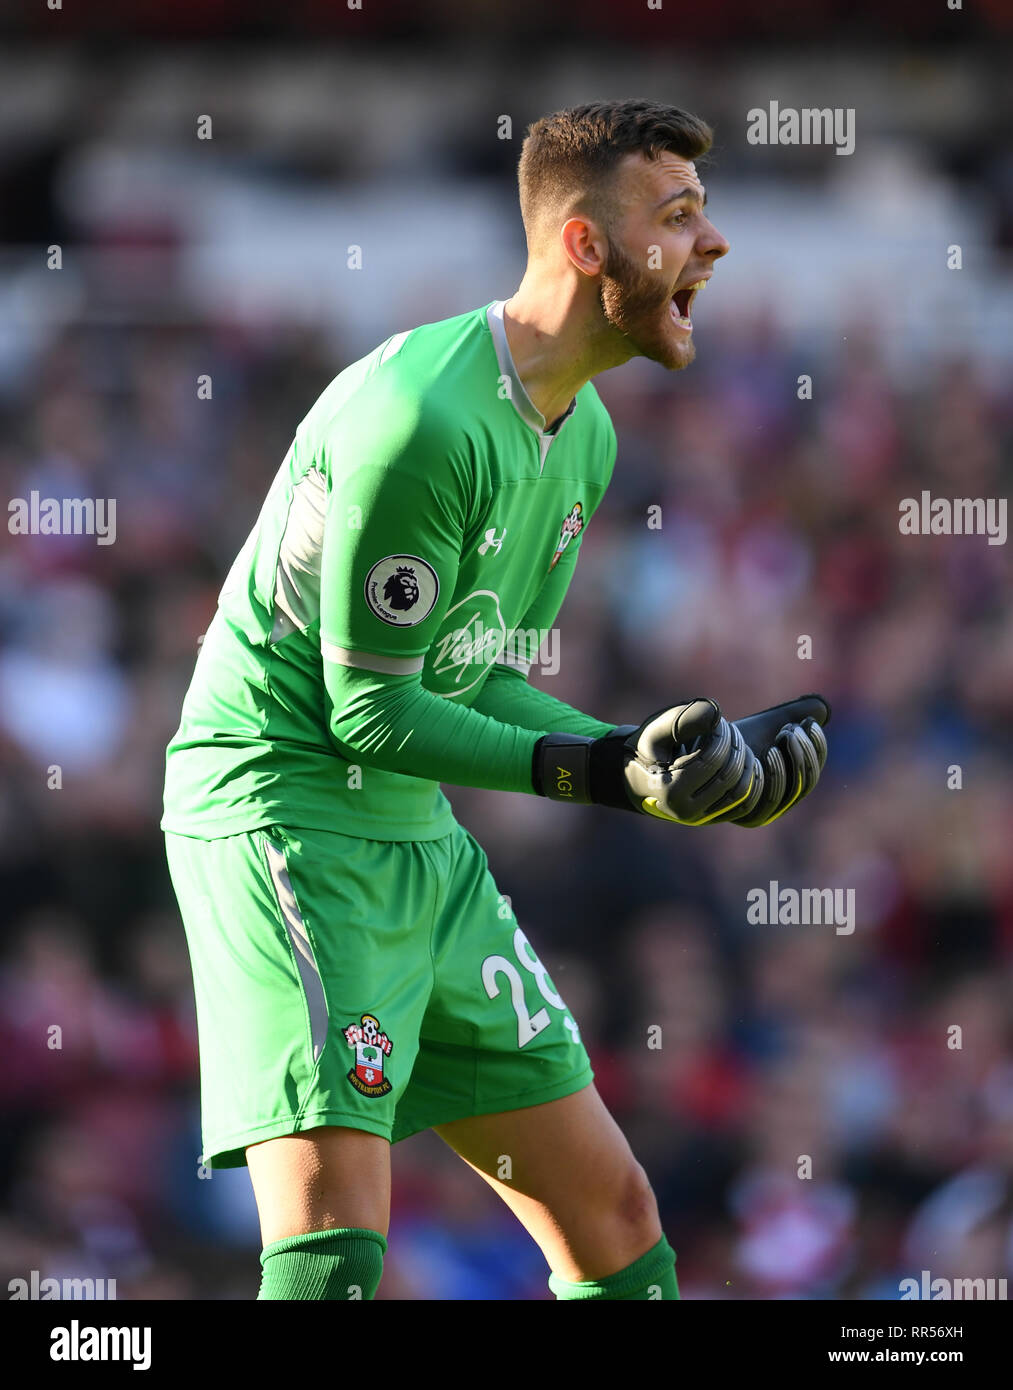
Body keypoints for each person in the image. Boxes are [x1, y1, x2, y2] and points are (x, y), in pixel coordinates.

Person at [161, 98, 829, 1302]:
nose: (712, 245)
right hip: (283, 817)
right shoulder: (420, 420)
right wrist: (597, 772)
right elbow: (367, 711)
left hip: (414, 829)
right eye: (677, 217)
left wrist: (643, 760)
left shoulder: (586, 439)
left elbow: (470, 670)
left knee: (613, 1214)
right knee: (333, 1242)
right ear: (584, 246)